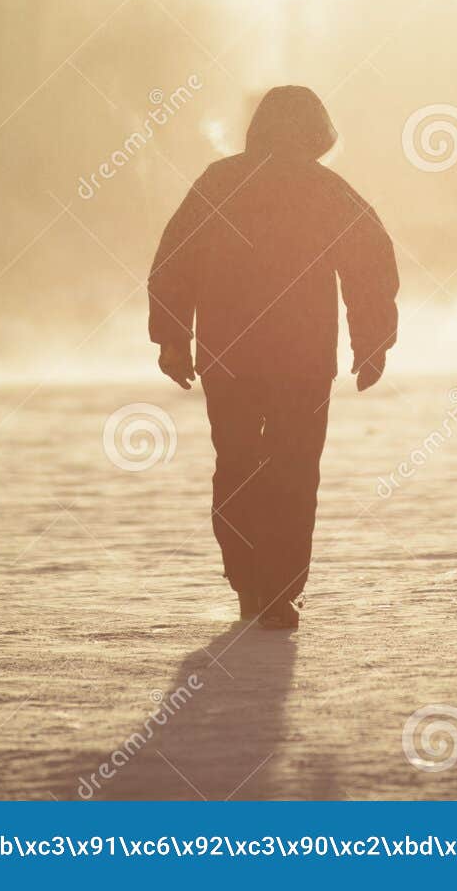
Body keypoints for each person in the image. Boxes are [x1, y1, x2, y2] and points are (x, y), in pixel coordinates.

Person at [148, 86, 399, 630]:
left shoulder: (218, 182)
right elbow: (370, 266)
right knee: (294, 468)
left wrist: (172, 337)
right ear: (317, 131)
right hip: (302, 357)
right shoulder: (325, 189)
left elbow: (175, 260)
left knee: (236, 465)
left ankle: (247, 582)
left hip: (228, 354)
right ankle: (280, 591)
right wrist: (372, 340)